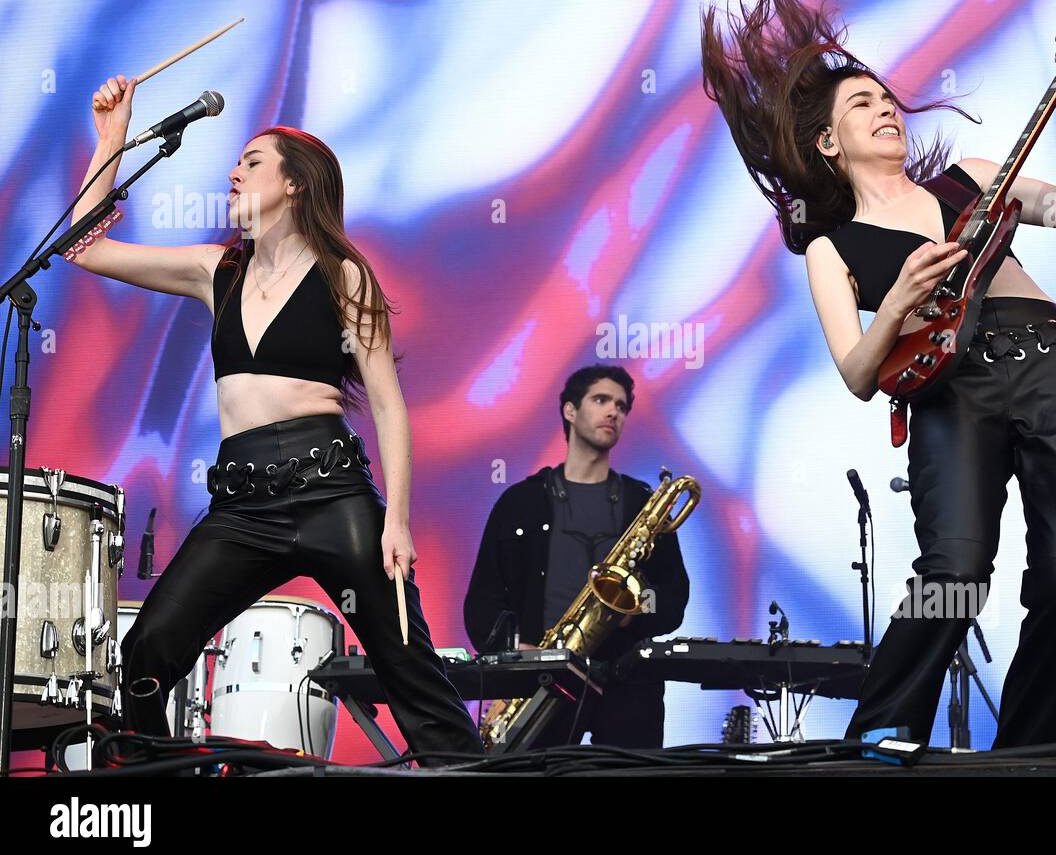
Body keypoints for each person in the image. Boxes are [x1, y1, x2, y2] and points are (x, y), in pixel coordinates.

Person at [700, 0, 1056, 748]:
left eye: (885, 96)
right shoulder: (831, 247)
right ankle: (876, 743)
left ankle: (1029, 758)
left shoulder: (973, 182)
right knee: (952, 579)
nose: (885, 106)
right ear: (828, 141)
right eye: (861, 103)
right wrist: (896, 302)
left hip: (1052, 364)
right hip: (950, 393)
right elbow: (858, 375)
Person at [69, 74, 484, 761]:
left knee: (410, 669)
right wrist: (112, 138)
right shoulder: (215, 270)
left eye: (251, 162)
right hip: (243, 505)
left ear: (296, 184)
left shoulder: (344, 275)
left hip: (332, 492)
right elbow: (88, 248)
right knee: (147, 651)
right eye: (235, 164)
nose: (233, 172)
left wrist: (398, 518)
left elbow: (387, 403)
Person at [464, 365, 690, 748]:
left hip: (627, 685)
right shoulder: (521, 502)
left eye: (621, 405)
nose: (613, 412)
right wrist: (516, 652)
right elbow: (482, 602)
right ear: (570, 411)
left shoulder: (643, 504)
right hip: (541, 682)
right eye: (601, 400)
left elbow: (673, 599)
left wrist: (633, 610)